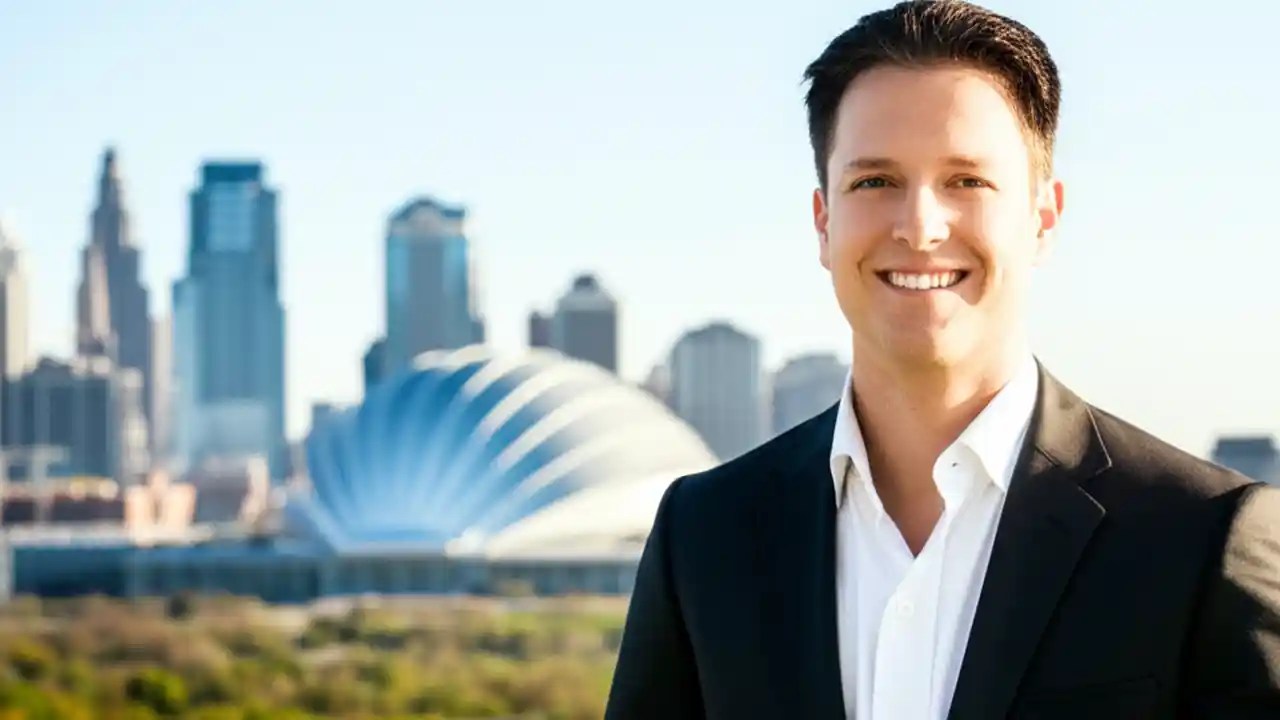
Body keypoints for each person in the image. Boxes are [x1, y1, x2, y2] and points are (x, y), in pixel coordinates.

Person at [604, 1, 1280, 718]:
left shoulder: (1200, 538)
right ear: (823, 222)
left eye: (968, 181)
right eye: (874, 181)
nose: (920, 227)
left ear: (1042, 218)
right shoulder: (705, 537)